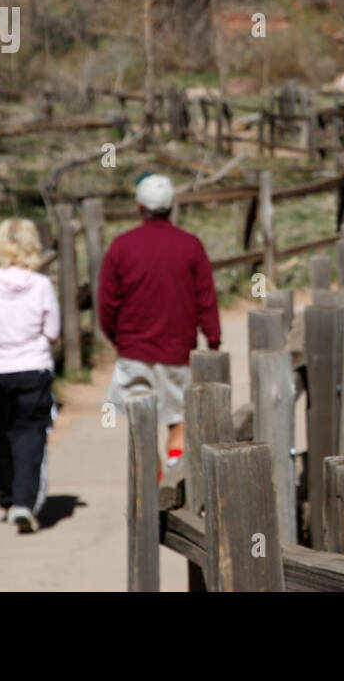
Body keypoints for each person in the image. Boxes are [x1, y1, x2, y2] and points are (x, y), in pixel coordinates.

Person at [100, 173, 221, 470]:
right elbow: (206, 298)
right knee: (178, 419)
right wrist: (213, 340)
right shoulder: (190, 245)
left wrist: (118, 338)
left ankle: (150, 490)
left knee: (141, 424)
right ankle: (173, 479)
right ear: (171, 206)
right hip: (177, 351)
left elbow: (106, 302)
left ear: (139, 206)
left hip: (134, 351)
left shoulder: (121, 246)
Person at [0, 218, 60, 534]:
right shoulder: (41, 286)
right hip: (33, 368)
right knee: (31, 433)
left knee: (2, 433)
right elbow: (52, 330)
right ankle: (24, 502)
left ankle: (7, 494)